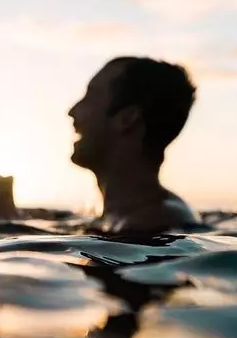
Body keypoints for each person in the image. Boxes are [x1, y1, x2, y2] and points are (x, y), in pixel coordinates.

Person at [68, 56, 198, 235]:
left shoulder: (154, 222)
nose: (73, 111)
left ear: (127, 119)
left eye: (90, 96)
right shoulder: (121, 218)